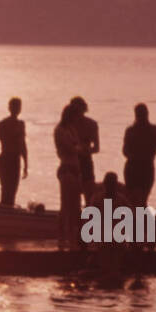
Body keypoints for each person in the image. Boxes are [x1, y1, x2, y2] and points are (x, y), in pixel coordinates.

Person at [54, 103, 85, 245]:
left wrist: (78, 148)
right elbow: (71, 148)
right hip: (66, 169)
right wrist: (78, 148)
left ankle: (72, 235)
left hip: (75, 170)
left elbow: (77, 147)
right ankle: (61, 236)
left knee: (76, 205)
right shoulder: (60, 130)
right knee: (65, 205)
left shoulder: (72, 129)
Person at [122, 103, 156, 207]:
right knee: (141, 199)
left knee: (136, 199)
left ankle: (137, 216)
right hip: (144, 165)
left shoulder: (130, 130)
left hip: (135, 165)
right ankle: (141, 216)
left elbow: (125, 151)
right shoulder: (155, 130)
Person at [0, 97, 28, 207]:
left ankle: (8, 210)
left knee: (12, 192)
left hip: (16, 161)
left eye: (18, 107)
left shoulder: (21, 124)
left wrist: (26, 165)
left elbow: (23, 146)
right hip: (5, 160)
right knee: (5, 190)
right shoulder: (2, 124)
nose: (16, 109)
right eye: (14, 107)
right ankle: (4, 211)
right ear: (9, 108)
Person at [70, 97, 100, 208]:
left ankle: (87, 216)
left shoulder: (91, 124)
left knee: (89, 196)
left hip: (86, 161)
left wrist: (85, 150)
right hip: (72, 161)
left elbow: (96, 148)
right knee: (73, 197)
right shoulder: (68, 125)